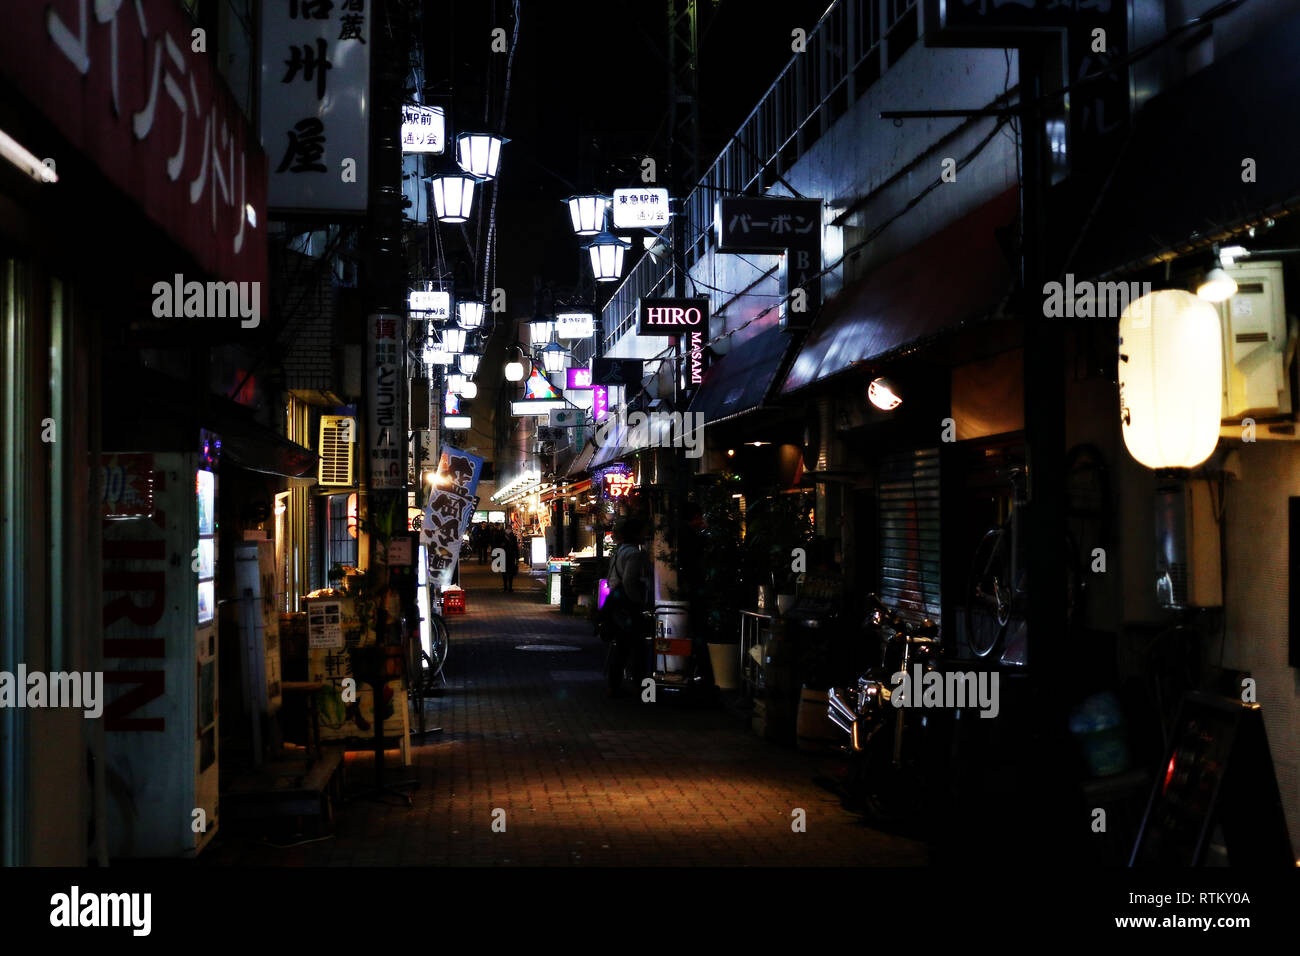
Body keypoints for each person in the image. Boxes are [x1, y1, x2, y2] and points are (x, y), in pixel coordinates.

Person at [603, 516, 652, 697]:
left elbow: (612, 579)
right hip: (628, 607)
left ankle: (614, 685)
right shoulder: (634, 554)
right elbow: (630, 581)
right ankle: (642, 687)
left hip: (616, 604)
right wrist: (639, 602)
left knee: (621, 646)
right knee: (636, 646)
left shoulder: (619, 552)